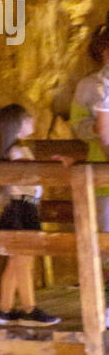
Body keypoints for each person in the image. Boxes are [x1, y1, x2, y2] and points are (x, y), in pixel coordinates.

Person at [0, 104, 61, 326]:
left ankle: (5, 310)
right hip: (21, 210)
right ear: (16, 126)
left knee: (16, 262)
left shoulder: (18, 149)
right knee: (24, 262)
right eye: (28, 120)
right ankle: (29, 309)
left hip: (23, 208)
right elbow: (29, 171)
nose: (33, 122)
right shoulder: (15, 152)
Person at [70, 24, 109, 232]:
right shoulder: (87, 86)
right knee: (104, 239)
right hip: (101, 171)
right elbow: (77, 125)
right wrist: (97, 128)